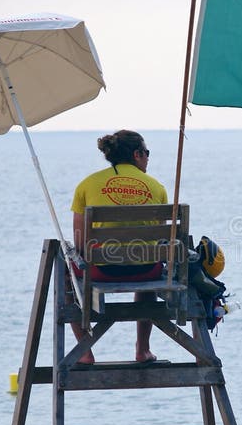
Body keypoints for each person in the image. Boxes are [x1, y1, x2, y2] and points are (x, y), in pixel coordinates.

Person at [69, 130, 168, 364]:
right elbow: (158, 239)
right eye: (146, 153)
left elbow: (79, 241)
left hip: (101, 271)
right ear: (136, 154)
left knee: (66, 276)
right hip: (146, 271)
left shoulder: (87, 185)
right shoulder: (157, 187)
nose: (148, 158)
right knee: (147, 269)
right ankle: (142, 350)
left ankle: (85, 351)